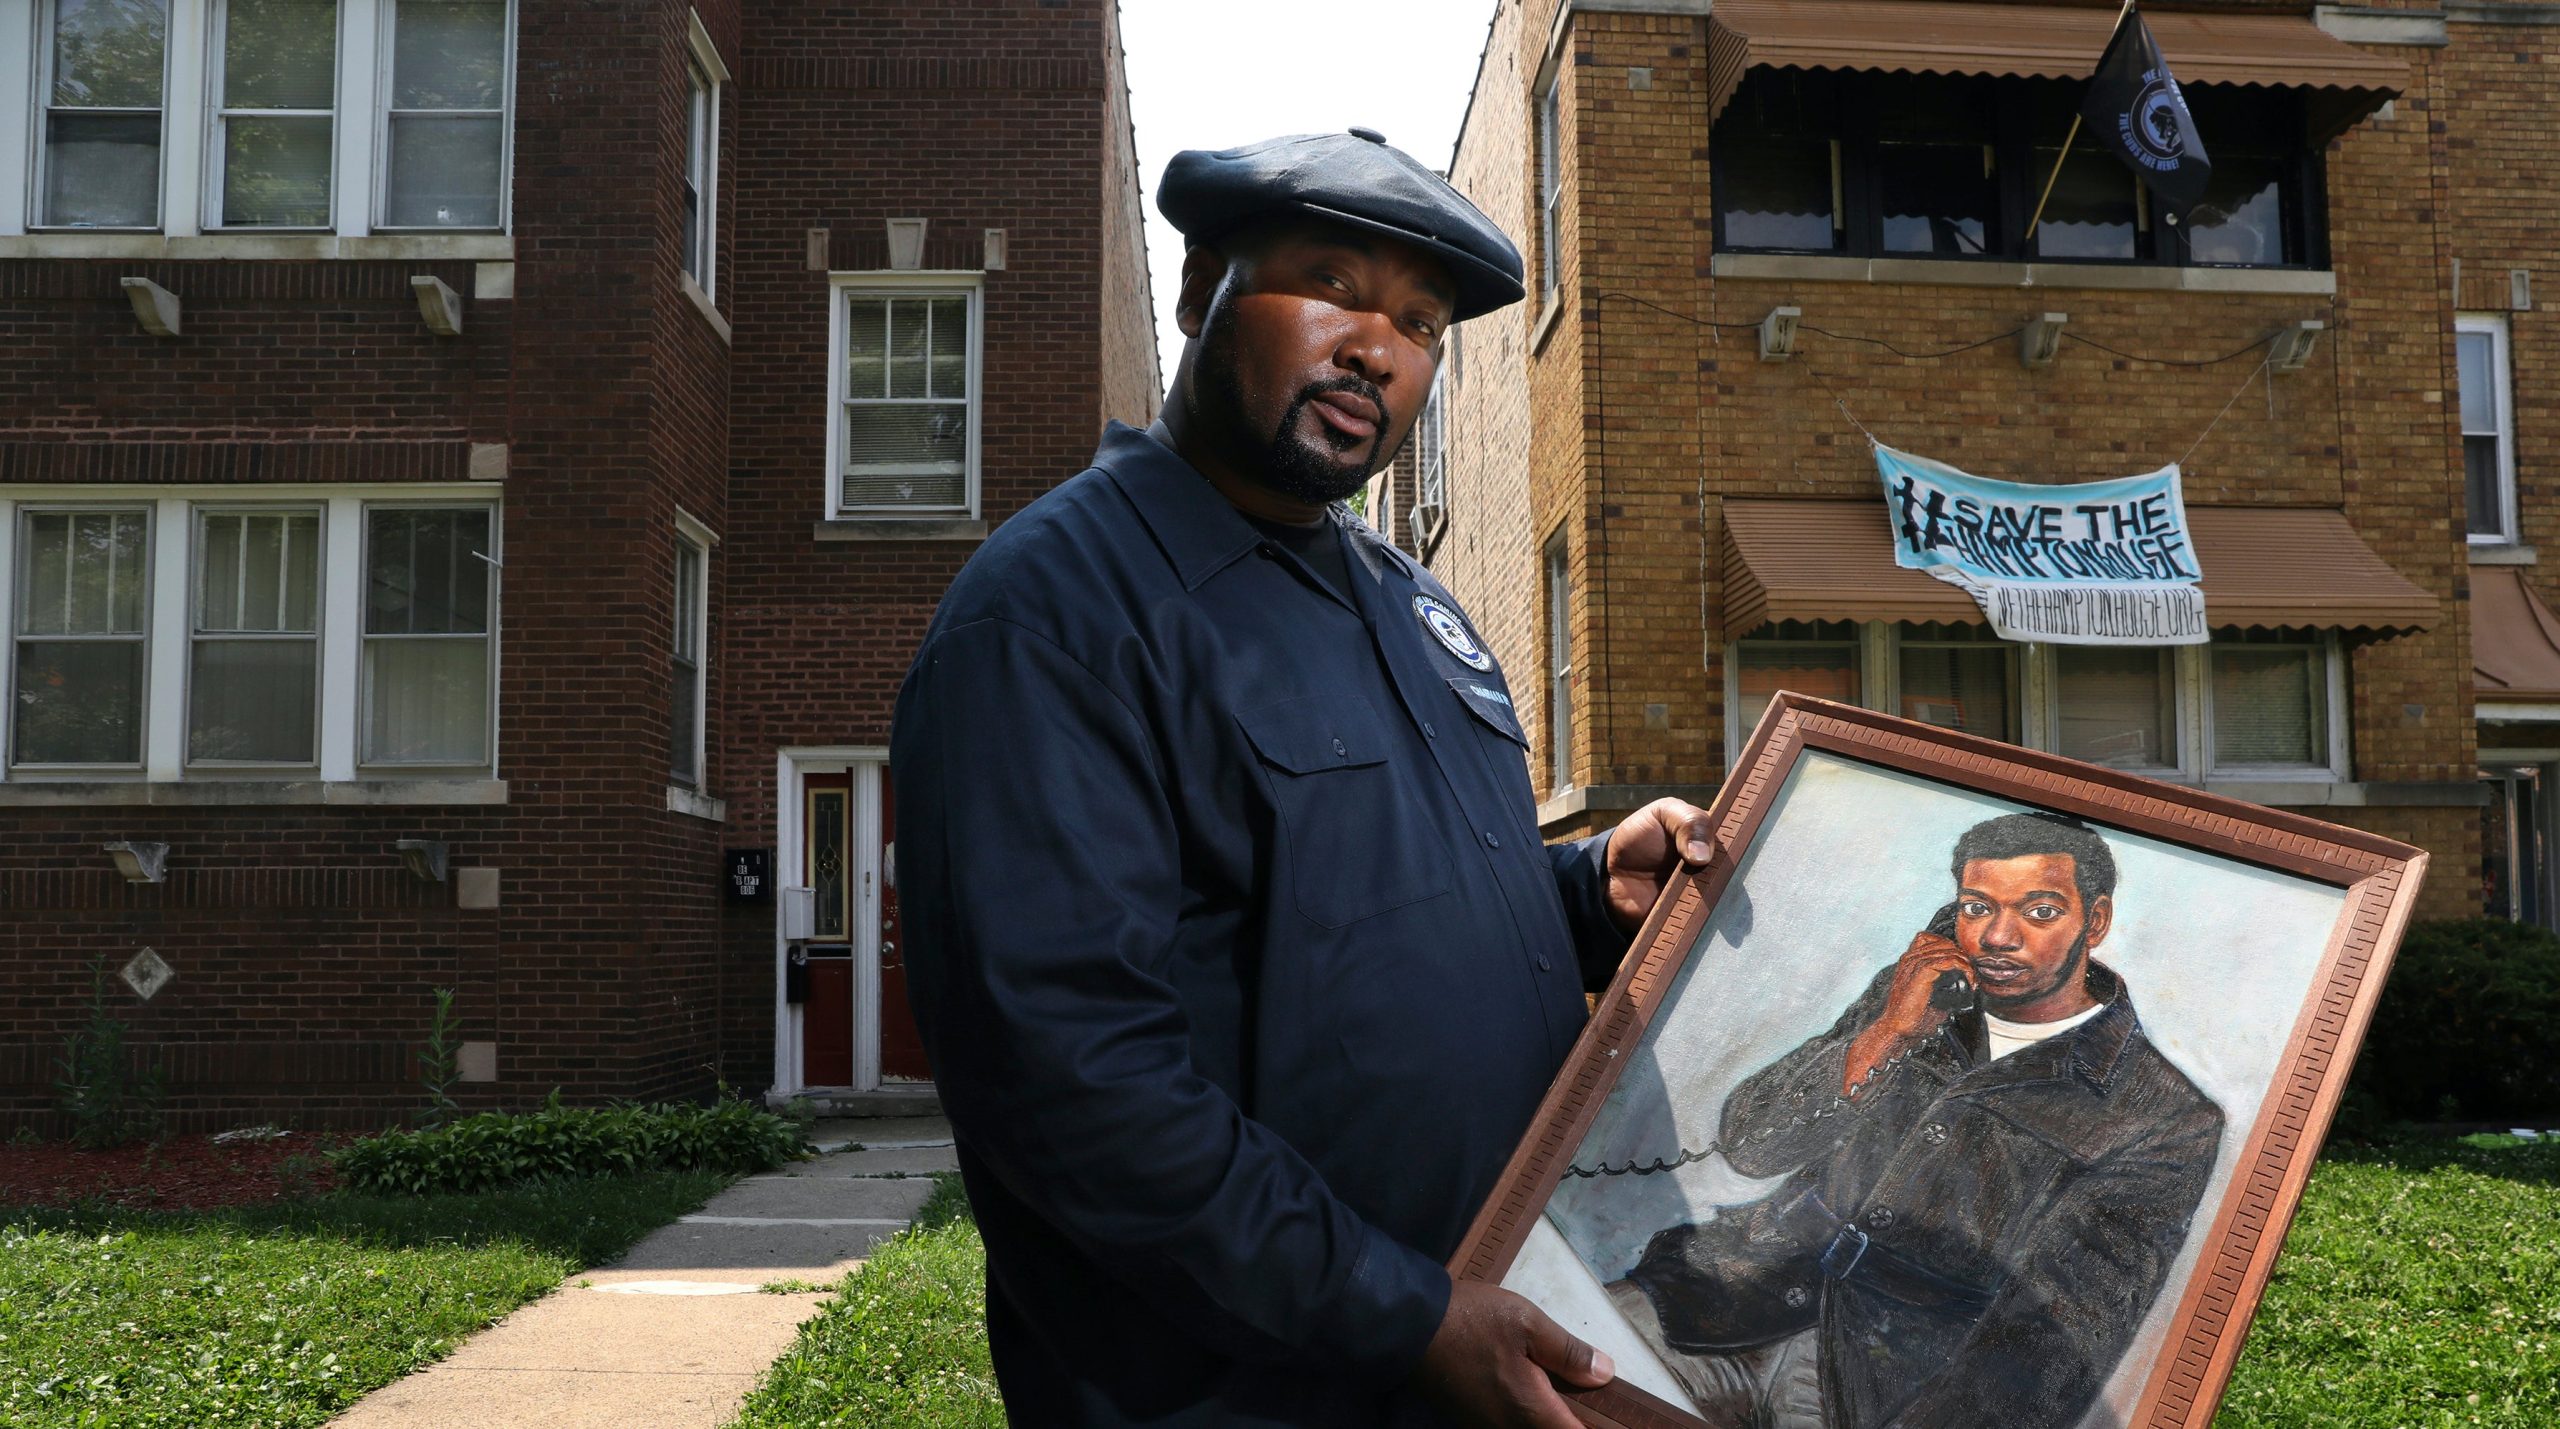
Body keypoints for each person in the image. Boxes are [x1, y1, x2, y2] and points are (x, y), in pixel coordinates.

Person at [891, 129, 1715, 1428]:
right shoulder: (1055, 611)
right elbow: (1068, 1080)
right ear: (1199, 285)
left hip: (1490, 1360)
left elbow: (1363, 905)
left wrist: (1586, 892)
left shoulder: (1405, 601)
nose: (1378, 348)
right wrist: (1411, 1312)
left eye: (1421, 323)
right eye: (1332, 286)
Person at [1606, 812, 2224, 1429]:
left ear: (2096, 921)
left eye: (2039, 913)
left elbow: (2056, 1339)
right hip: (1726, 1298)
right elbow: (1750, 1146)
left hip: (1883, 1386)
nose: (1997, 938)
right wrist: (1888, 1034)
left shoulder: (2162, 1115)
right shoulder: (1919, 994)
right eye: (1978, 908)